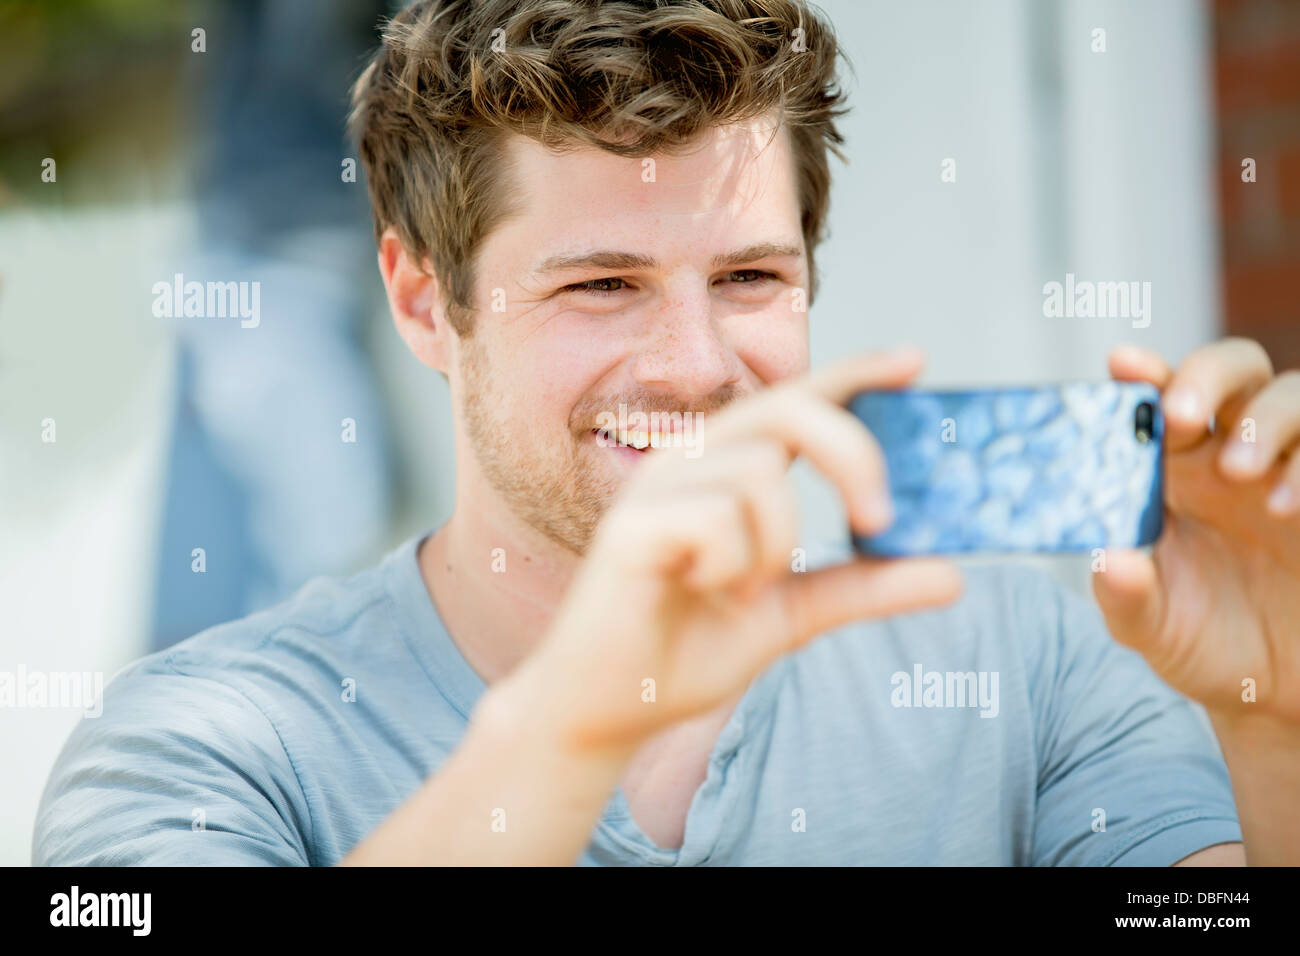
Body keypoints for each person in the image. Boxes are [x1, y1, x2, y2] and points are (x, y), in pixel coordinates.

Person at [34, 0, 1300, 866]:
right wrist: (577, 720)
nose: (696, 369)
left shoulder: (1033, 668)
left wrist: (1271, 719)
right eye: (602, 285)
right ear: (426, 299)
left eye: (749, 277)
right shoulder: (198, 746)